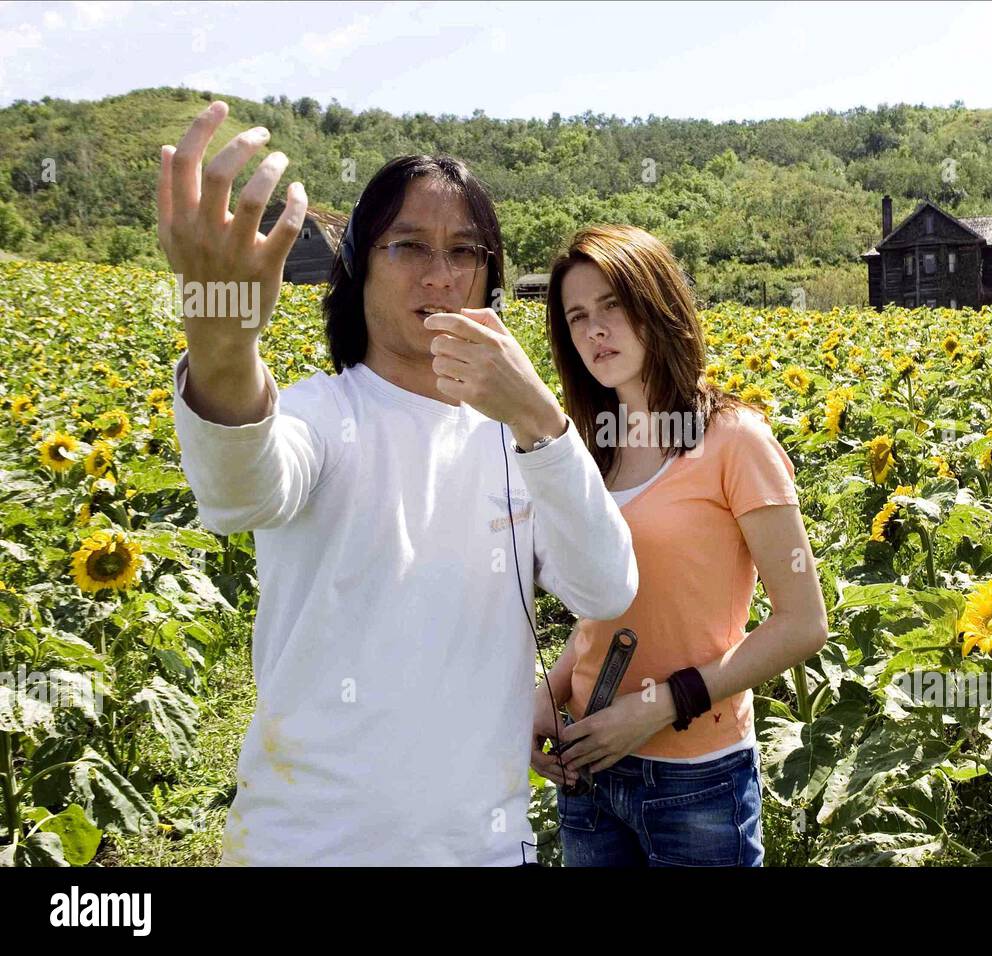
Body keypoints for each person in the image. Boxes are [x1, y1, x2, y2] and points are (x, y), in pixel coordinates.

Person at [158, 101, 637, 866]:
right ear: (357, 269)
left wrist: (540, 418)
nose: (441, 277)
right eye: (408, 246)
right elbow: (240, 492)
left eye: (466, 252)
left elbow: (605, 587)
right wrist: (221, 336)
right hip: (308, 848)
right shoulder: (321, 414)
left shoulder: (520, 437)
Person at [529, 225, 829, 866]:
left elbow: (804, 625)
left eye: (612, 305)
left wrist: (660, 706)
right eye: (577, 317)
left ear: (657, 304)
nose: (594, 331)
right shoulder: (589, 447)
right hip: (586, 766)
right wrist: (548, 695)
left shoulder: (734, 441)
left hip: (694, 779)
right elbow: (600, 620)